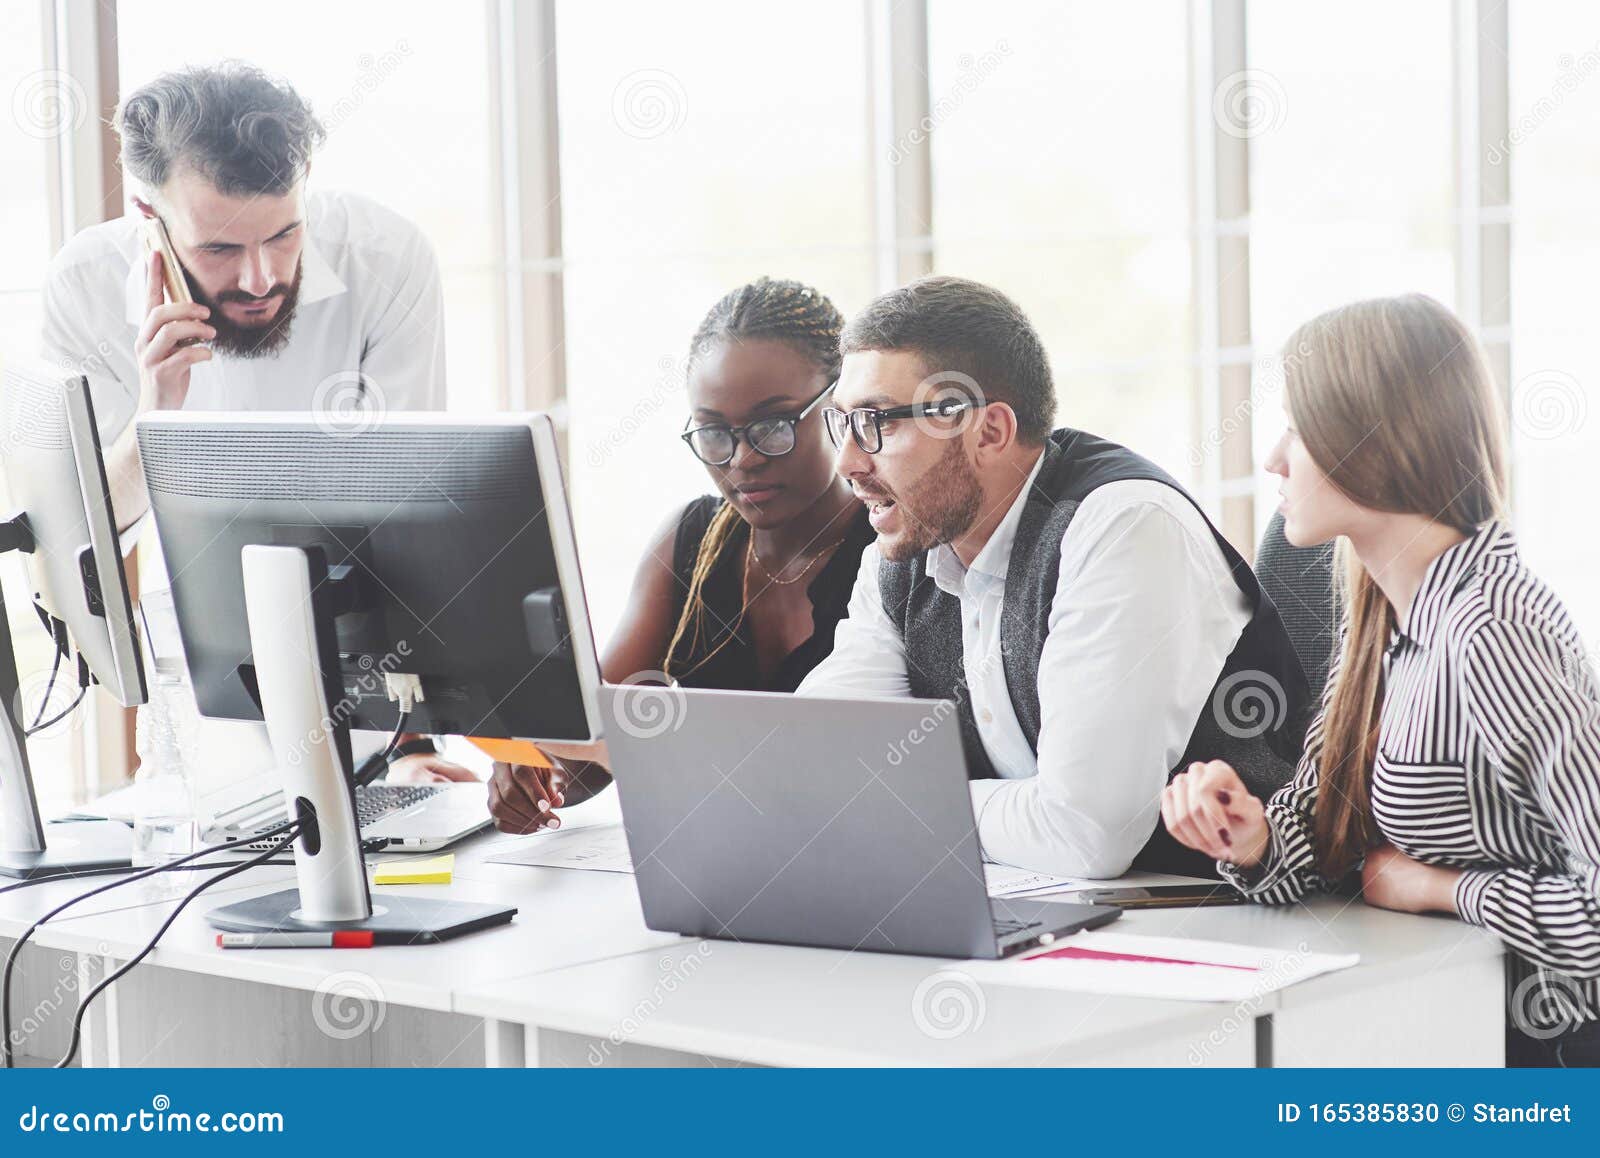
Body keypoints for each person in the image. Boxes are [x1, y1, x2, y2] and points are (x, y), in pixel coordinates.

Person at [1161, 293, 1600, 1068]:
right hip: (1439, 1023)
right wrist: (1253, 836)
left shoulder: (1495, 631)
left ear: (1373, 442)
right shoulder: (1382, 615)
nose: (1273, 458)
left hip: (1543, 1058)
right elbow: (1330, 847)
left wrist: (1439, 888)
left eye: (1297, 427)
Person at [795, 275, 1309, 878]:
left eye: (878, 422)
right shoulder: (902, 553)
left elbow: (1085, 835)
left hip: (1211, 919)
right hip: (1029, 905)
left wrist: (898, 805)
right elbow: (819, 768)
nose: (849, 462)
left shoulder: (1123, 526)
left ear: (989, 432)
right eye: (843, 423)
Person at [40, 62, 459, 783]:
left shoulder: (388, 261)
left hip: (375, 730)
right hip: (200, 741)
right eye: (220, 249)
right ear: (151, 220)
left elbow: (406, 520)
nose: (261, 278)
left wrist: (413, 742)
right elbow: (70, 544)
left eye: (285, 234)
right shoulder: (82, 286)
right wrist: (153, 418)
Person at [476, 278, 874, 833]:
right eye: (713, 433)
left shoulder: (890, 548)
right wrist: (539, 771)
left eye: (771, 426)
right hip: (721, 862)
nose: (742, 460)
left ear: (840, 404)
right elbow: (595, 732)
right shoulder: (693, 543)